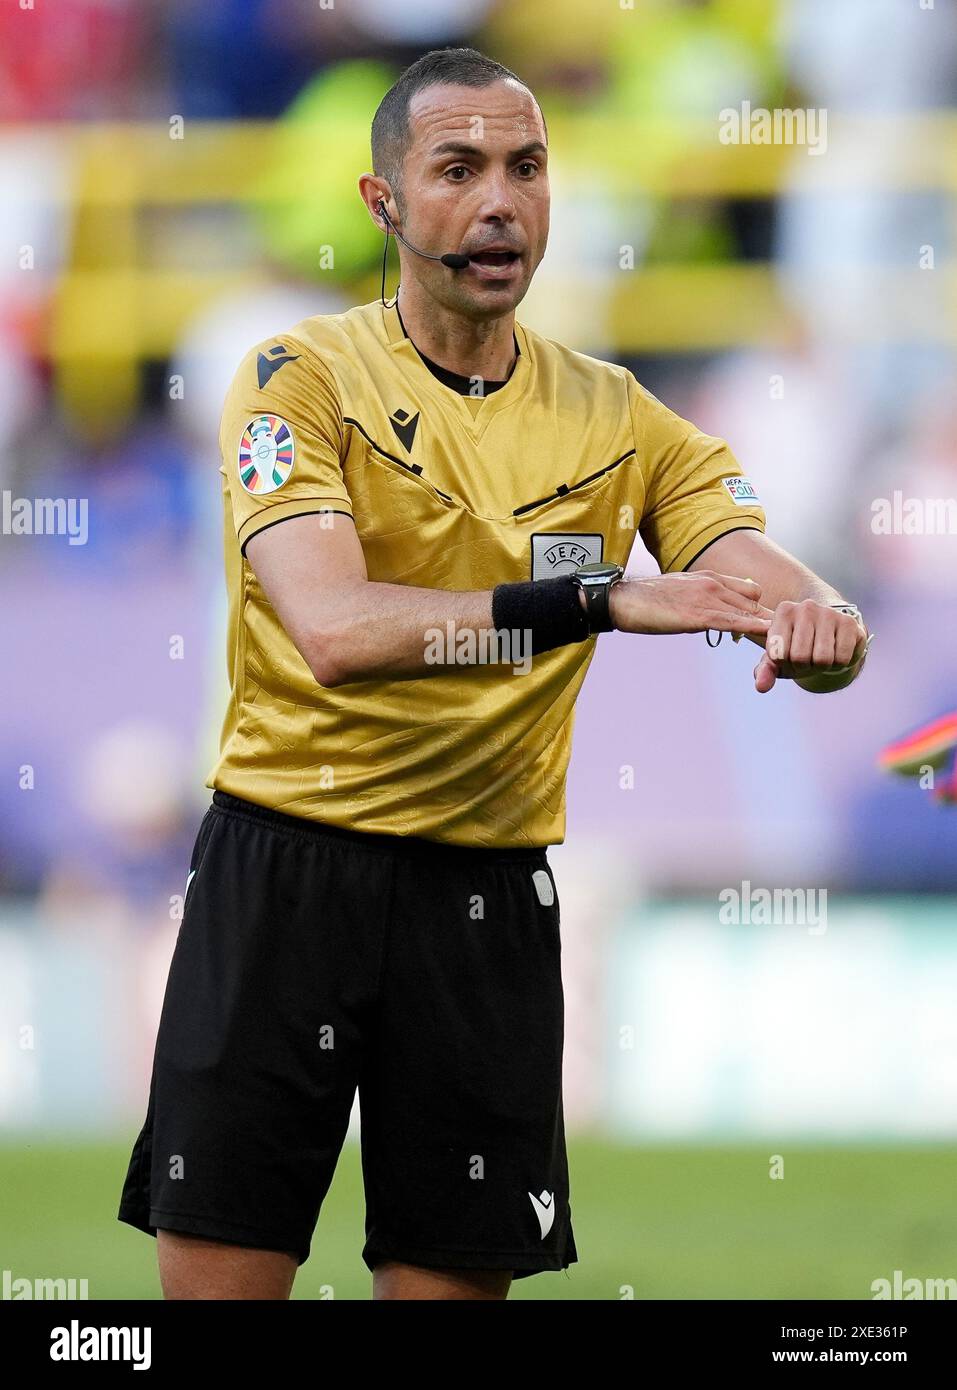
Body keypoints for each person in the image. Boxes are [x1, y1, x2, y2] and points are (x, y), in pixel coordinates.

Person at [118, 46, 870, 1301]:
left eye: (525, 168)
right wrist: (597, 599)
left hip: (483, 904)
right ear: (384, 202)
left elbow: (775, 586)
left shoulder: (623, 417)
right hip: (286, 869)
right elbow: (336, 631)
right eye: (457, 168)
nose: (499, 202)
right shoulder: (295, 379)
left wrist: (827, 629)